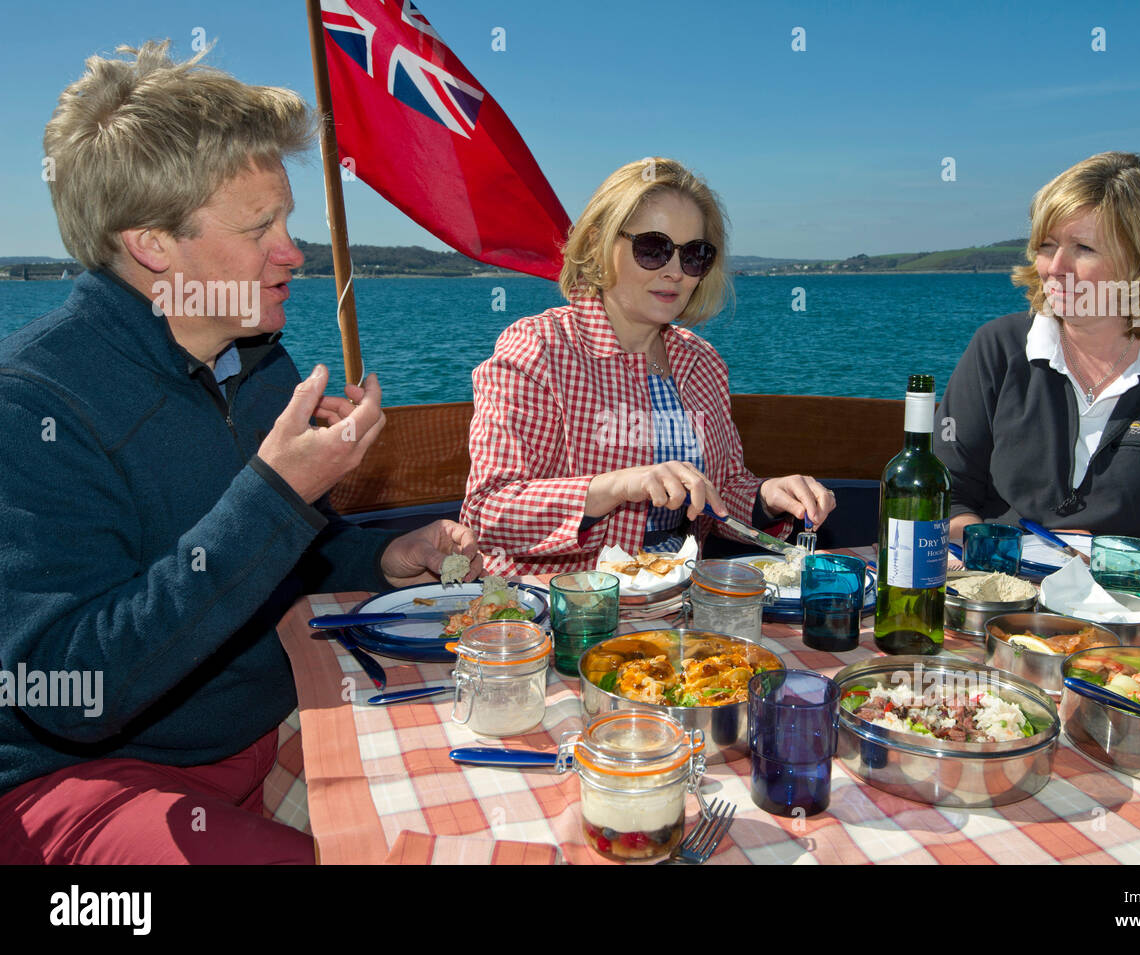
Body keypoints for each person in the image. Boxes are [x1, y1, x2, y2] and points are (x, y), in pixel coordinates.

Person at [0, 42, 481, 864]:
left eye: (288, 220)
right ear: (153, 245)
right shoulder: (34, 403)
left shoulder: (259, 363)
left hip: (266, 726)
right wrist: (274, 493)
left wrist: (385, 555)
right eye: (262, 228)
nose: (294, 251)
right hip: (91, 783)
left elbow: (280, 560)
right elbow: (70, 689)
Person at [462, 158, 835, 576]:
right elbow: (489, 514)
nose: (675, 272)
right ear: (597, 245)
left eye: (694, 255)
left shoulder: (700, 361)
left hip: (674, 599)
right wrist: (621, 485)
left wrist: (768, 496)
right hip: (557, 609)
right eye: (654, 249)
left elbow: (722, 491)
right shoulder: (539, 349)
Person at [936, 152, 1140, 573]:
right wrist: (1003, 571)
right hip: (998, 585)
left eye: (1083, 248)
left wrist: (1115, 584)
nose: (1055, 268)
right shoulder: (997, 348)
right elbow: (948, 493)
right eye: (1047, 246)